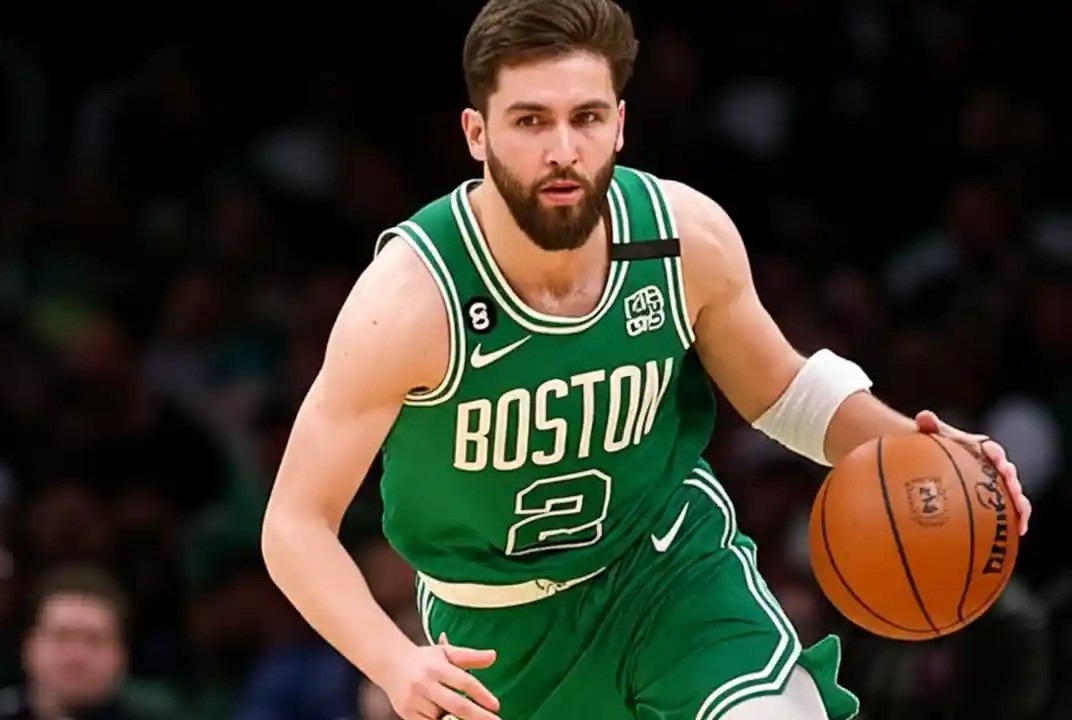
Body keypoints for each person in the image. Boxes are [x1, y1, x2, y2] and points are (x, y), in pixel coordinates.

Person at [260, 0, 1034, 718]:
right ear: (476, 133)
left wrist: (925, 454)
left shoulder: (681, 237)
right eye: (530, 121)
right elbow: (294, 523)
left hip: (669, 571)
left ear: (620, 124)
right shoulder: (409, 301)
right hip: (492, 626)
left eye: (585, 118)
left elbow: (786, 391)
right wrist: (393, 661)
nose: (563, 150)